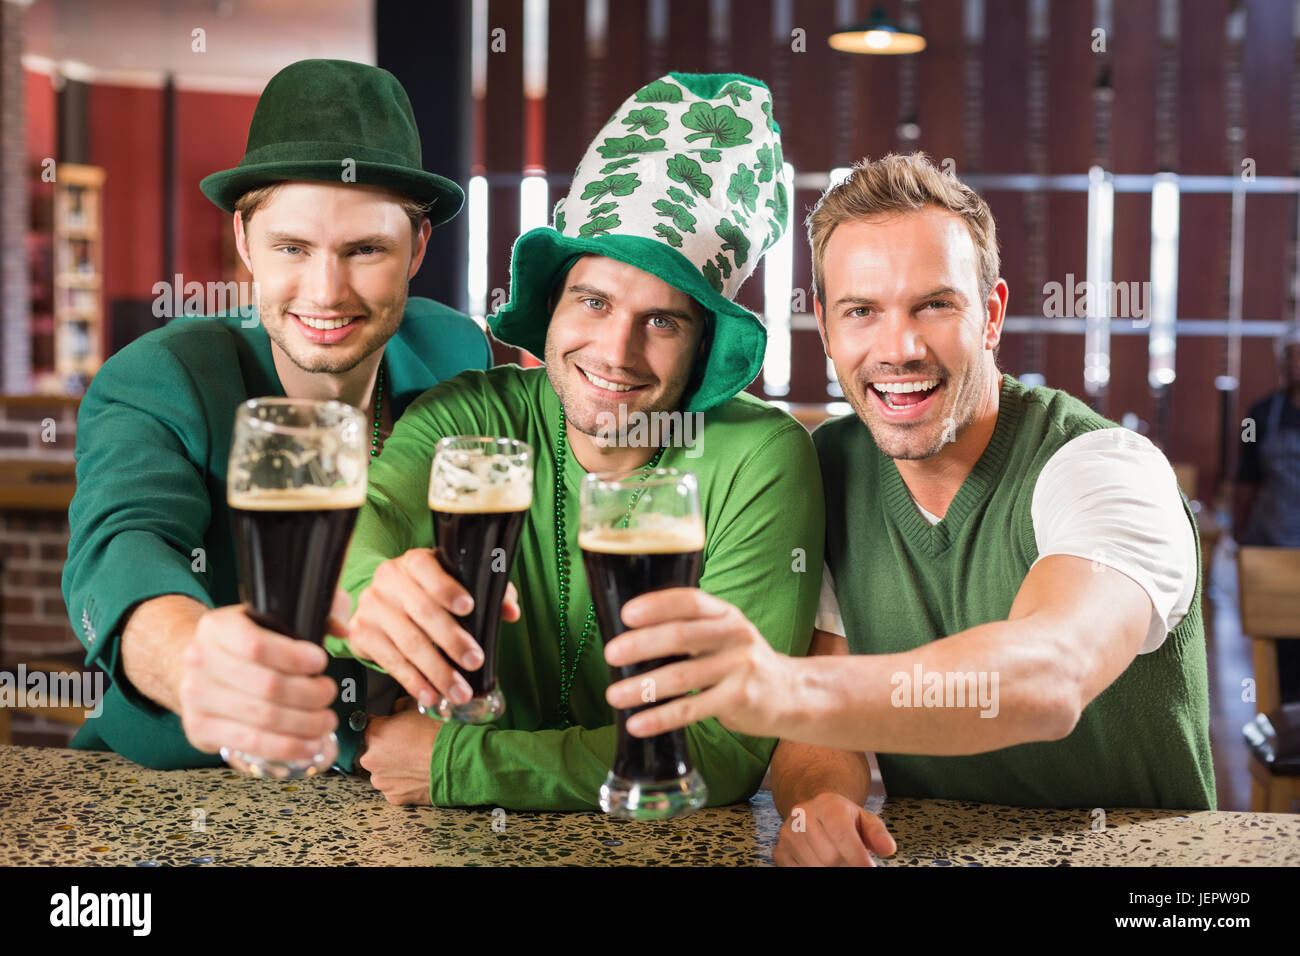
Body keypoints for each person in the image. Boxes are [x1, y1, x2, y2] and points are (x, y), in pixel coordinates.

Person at [603, 152, 1215, 865]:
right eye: (861, 311)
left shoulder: (1104, 467)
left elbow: (1050, 675)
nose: (898, 348)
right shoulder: (824, 469)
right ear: (827, 331)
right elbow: (825, 730)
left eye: (934, 304)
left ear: (990, 316)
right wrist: (819, 804)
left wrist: (779, 687)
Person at [330, 72, 824, 810]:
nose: (616, 352)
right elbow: (347, 543)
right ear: (553, 305)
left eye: (662, 321)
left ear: (702, 345)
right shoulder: (466, 417)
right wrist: (372, 594)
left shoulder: (760, 457)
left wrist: (459, 765)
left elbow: (723, 744)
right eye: (593, 301)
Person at [62, 59, 491, 772]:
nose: (325, 291)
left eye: (365, 250)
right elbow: (120, 549)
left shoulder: (456, 349)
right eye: (292, 247)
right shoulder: (160, 375)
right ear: (243, 241)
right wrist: (191, 655)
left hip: (408, 783)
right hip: (185, 789)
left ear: (418, 249)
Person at [1234, 322, 1300, 702]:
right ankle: (1283, 721)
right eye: (1289, 356)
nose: (1296, 364)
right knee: (1281, 643)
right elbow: (1246, 476)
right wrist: (1238, 534)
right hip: (1273, 543)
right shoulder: (1255, 416)